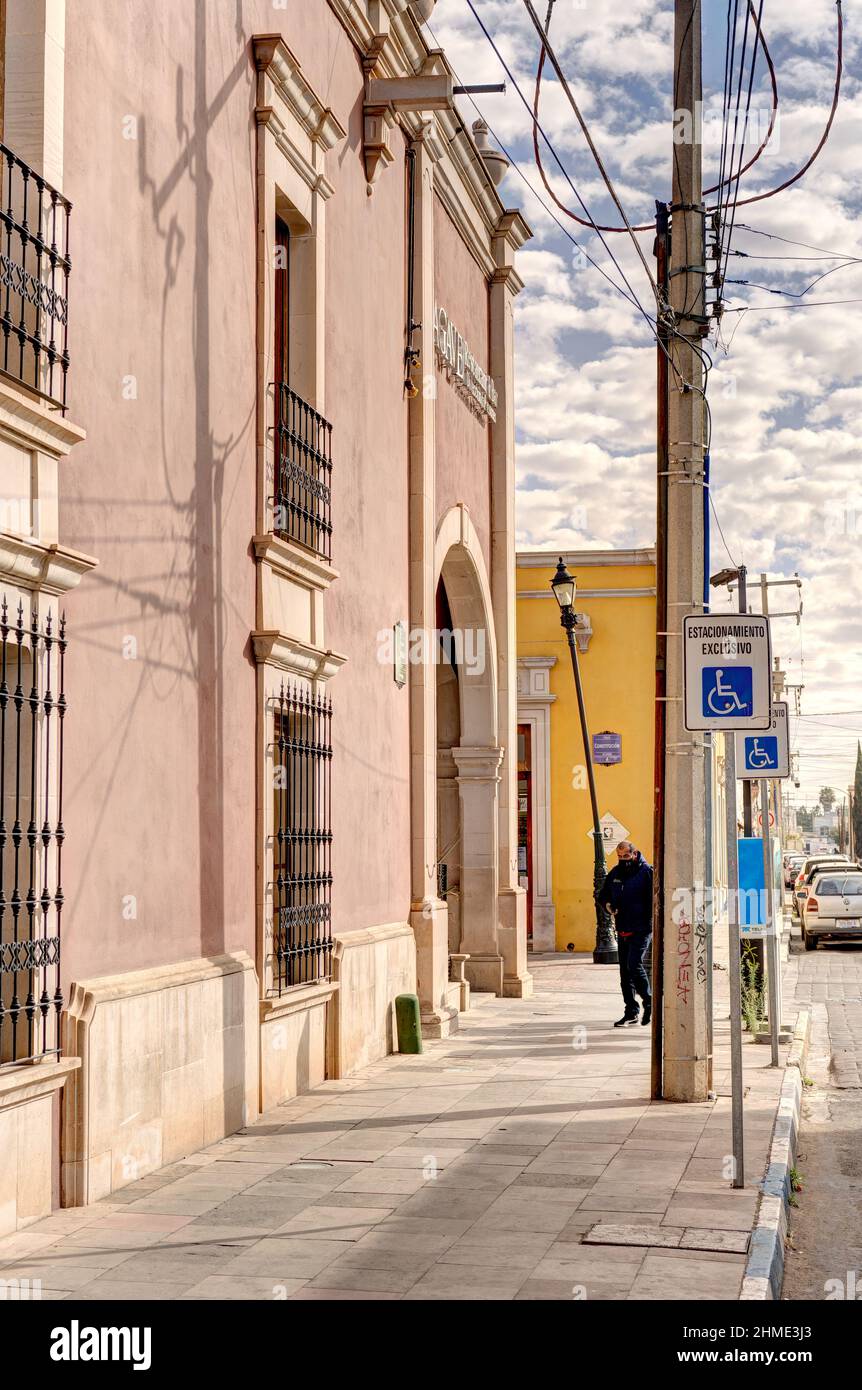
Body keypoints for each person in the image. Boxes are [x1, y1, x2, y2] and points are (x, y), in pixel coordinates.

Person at [597, 841, 653, 1028]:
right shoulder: (615, 872)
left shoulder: (647, 873)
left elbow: (656, 900)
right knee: (624, 973)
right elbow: (603, 895)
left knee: (634, 964)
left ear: (635, 854)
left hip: (642, 928)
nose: (623, 860)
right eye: (620, 857)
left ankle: (648, 999)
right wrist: (608, 906)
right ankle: (631, 1012)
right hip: (622, 928)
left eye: (626, 857)